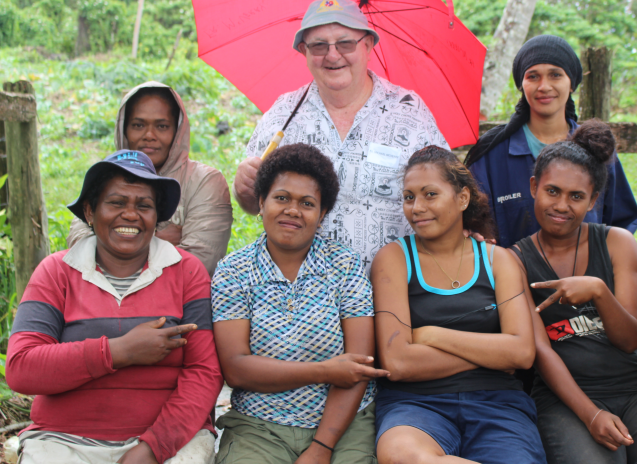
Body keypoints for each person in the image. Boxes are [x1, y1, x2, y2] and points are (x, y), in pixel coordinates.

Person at [7, 150, 223, 464]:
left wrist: (152, 448)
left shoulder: (186, 272)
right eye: (116, 203)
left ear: (157, 217)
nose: (131, 215)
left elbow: (205, 373)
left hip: (170, 441)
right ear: (90, 211)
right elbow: (21, 368)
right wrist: (120, 351)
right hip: (63, 440)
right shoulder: (56, 272)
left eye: (144, 206)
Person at [509, 121, 637, 463]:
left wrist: (599, 291)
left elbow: (629, 340)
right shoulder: (515, 260)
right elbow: (541, 351)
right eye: (552, 191)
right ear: (534, 186)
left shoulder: (617, 243)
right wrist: (591, 414)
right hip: (567, 396)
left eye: (576, 196)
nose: (561, 205)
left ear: (593, 199)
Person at [234, 0, 449, 268]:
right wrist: (243, 188)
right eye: (319, 46)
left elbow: (446, 193)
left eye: (345, 43)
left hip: (394, 284)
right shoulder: (283, 114)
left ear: (367, 45)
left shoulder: (409, 110)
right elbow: (255, 204)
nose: (333, 55)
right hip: (301, 289)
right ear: (304, 51)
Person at [212, 143, 388, 464]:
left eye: (307, 203)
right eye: (282, 198)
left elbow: (357, 368)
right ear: (261, 202)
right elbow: (236, 369)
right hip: (259, 424)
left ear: (322, 215)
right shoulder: (233, 271)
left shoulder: (344, 265)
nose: (293, 210)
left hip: (343, 423)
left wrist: (322, 446)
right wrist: (324, 370)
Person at [371, 146, 547, 464]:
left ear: (462, 198)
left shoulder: (498, 260)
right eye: (409, 197)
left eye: (430, 194)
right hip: (414, 404)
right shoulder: (394, 259)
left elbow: (522, 353)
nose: (417, 207)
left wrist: (431, 335)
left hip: (498, 404)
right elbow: (397, 363)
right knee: (401, 456)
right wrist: (492, 354)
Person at [465, 35, 637, 248]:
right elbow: (469, 223)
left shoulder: (596, 150)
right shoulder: (491, 155)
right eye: (533, 76)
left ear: (571, 83)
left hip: (585, 269)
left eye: (555, 75)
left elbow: (622, 223)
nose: (544, 86)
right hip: (510, 270)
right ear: (521, 85)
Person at [68, 81, 233, 277]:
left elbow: (197, 265)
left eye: (162, 126)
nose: (149, 135)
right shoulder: (105, 175)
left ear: (177, 131)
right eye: (138, 125)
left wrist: (117, 242)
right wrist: (159, 240)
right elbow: (78, 244)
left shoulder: (204, 182)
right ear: (124, 130)